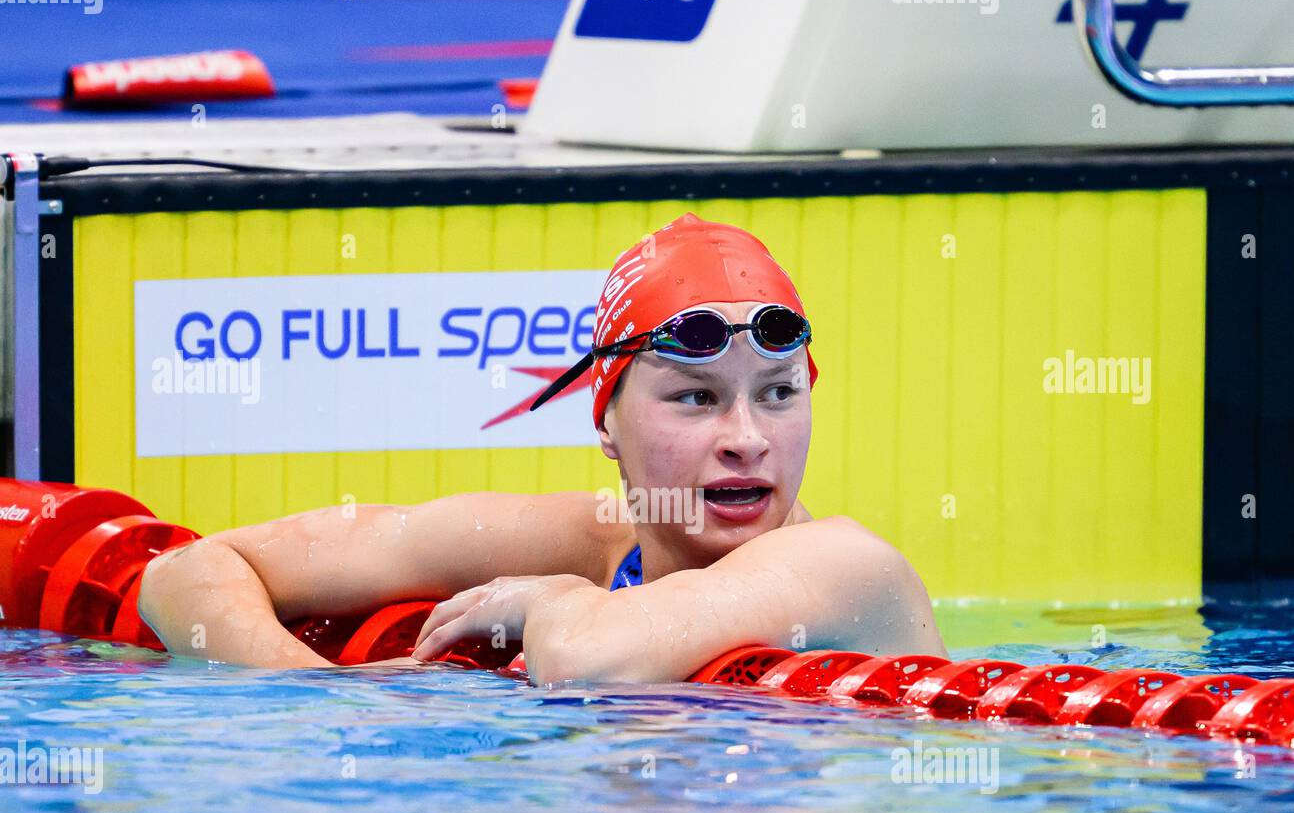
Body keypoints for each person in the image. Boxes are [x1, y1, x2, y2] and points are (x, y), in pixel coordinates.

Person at [139, 213, 945, 682]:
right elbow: (186, 574)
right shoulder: (587, 543)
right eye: (697, 399)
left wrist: (549, 601)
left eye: (778, 393)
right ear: (605, 421)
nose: (746, 440)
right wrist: (314, 701)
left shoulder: (843, 567)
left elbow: (588, 662)